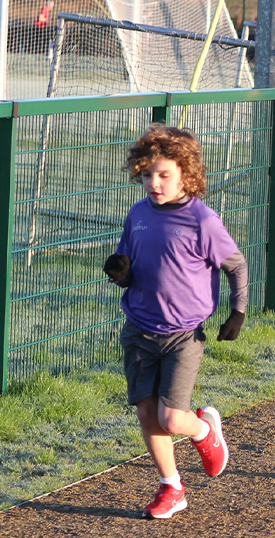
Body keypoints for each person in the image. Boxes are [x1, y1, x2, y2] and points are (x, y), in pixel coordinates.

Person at [102, 124, 247, 519]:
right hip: (138, 329)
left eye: (164, 175)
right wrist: (121, 273)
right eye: (147, 175)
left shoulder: (202, 220)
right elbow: (128, 263)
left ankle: (203, 429)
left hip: (183, 335)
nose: (154, 183)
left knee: (170, 417)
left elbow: (236, 265)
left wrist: (238, 311)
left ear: (186, 172)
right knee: (148, 414)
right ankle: (171, 487)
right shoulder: (138, 214)